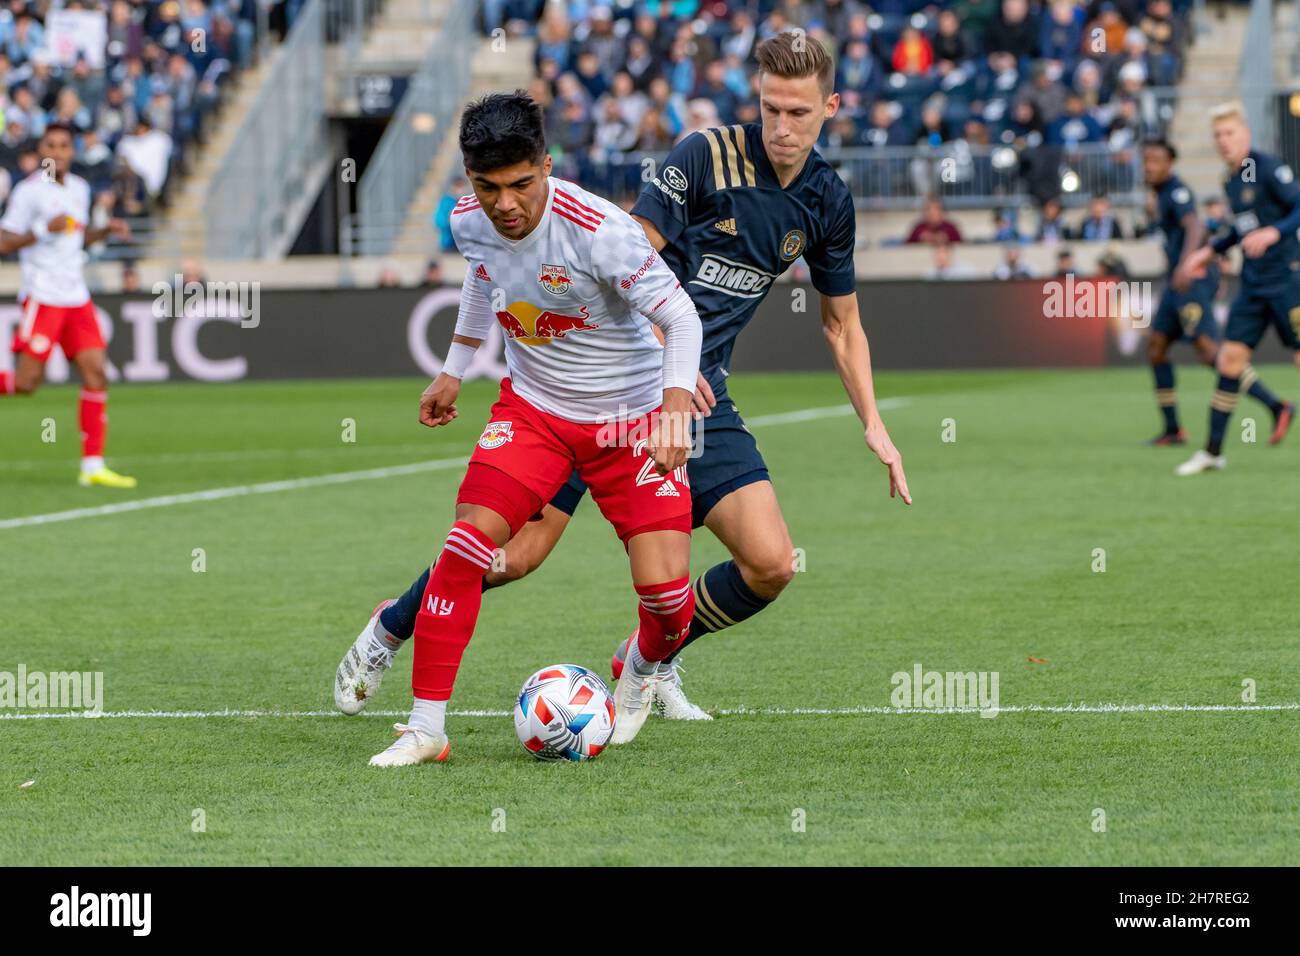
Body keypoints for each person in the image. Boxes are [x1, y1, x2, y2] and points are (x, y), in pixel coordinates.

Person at [334, 33, 910, 725]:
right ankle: (392, 626)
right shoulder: (704, 155)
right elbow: (632, 258)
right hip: (612, 383)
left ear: (833, 108)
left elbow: (842, 324)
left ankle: (646, 661)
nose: (782, 128)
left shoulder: (826, 201)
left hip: (699, 396)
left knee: (772, 563)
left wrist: (874, 424)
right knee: (512, 558)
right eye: (770, 109)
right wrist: (667, 363)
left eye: (800, 114)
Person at [349, 92, 703, 764]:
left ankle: (643, 666)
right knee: (466, 546)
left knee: (667, 601)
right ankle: (427, 728)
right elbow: (483, 280)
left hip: (628, 420)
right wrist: (454, 368)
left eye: (520, 184)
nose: (505, 204)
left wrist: (676, 407)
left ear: (546, 165)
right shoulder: (469, 220)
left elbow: (681, 318)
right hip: (535, 411)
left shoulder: (601, 229)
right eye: (488, 187)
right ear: (469, 179)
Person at [0, 123, 136, 488]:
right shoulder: (29, 192)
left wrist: (104, 232)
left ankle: (92, 466)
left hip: (76, 297)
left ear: (72, 151)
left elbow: (77, 235)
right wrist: (43, 230)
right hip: (44, 297)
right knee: (27, 383)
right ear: (42, 150)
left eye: (64, 146)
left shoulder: (79, 187)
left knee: (97, 373)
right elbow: (4, 242)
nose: (58, 152)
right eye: (51, 146)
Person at [1174, 103, 1300, 475]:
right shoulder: (1232, 179)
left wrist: (1275, 231)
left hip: (1288, 280)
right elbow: (1240, 230)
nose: (1223, 141)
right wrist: (1207, 253)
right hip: (1254, 284)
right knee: (1229, 361)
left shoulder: (1267, 167)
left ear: (1245, 135)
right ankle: (1213, 453)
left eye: (1229, 134)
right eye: (1217, 136)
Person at [1142, 139, 1288, 447]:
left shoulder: (1177, 192)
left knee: (1212, 354)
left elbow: (1195, 227)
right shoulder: (1159, 194)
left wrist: (1188, 265)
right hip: (1176, 281)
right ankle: (1172, 429)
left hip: (1189, 280)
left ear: (1170, 163)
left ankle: (1276, 406)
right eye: (1146, 161)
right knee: (1156, 348)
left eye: (1155, 161)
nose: (1149, 167)